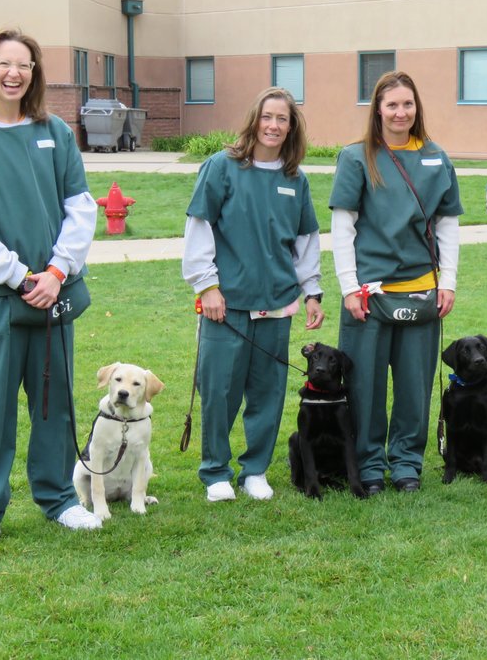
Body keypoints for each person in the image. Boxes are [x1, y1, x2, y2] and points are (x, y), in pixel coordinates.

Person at [0, 27, 101, 550]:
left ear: (34, 73)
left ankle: (58, 499)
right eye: (5, 63)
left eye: (25, 65)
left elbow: (80, 207)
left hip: (52, 295)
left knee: (55, 403)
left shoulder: (54, 131)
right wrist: (19, 275)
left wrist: (55, 273)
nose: (14, 73)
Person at [183, 86, 324, 503]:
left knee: (267, 391)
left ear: (291, 126)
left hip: (277, 304)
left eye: (283, 119)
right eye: (267, 117)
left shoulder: (294, 180)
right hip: (225, 305)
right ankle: (215, 473)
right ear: (254, 120)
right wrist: (207, 286)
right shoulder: (222, 168)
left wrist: (311, 291)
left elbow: (306, 241)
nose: (274, 126)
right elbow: (199, 229)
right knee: (219, 391)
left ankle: (255, 470)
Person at [329, 71, 464, 495]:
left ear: (416, 108)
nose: (400, 112)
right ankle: (368, 465)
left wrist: (449, 281)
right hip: (369, 294)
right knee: (364, 386)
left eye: (408, 104)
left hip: (421, 288)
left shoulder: (436, 158)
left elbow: (448, 225)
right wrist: (349, 286)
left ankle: (406, 463)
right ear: (378, 110)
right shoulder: (357, 158)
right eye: (392, 105)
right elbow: (341, 226)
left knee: (414, 387)